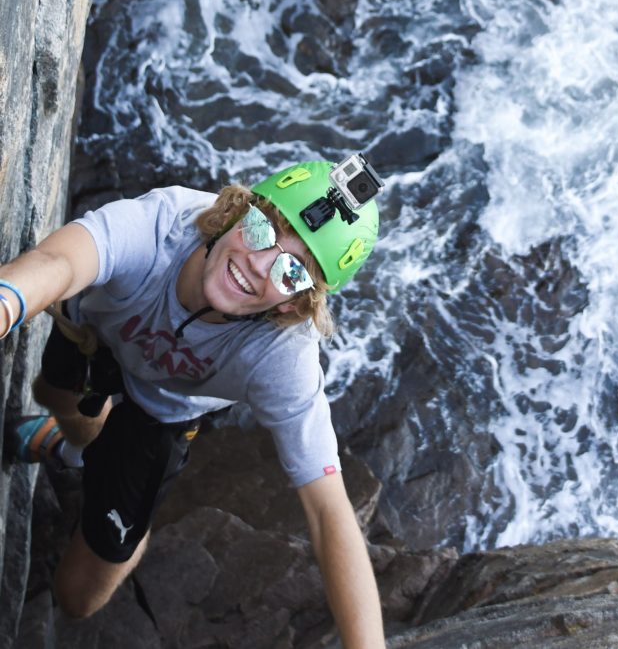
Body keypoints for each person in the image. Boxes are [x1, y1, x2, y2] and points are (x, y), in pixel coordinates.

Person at [0, 156, 386, 648]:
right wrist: (7, 302)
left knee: (77, 596)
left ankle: (127, 520)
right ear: (235, 212)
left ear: (293, 304)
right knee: (52, 394)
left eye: (292, 273)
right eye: (261, 229)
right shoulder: (162, 224)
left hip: (163, 411)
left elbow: (329, 512)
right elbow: (60, 262)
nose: (258, 264)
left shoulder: (282, 355)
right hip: (93, 334)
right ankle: (71, 446)